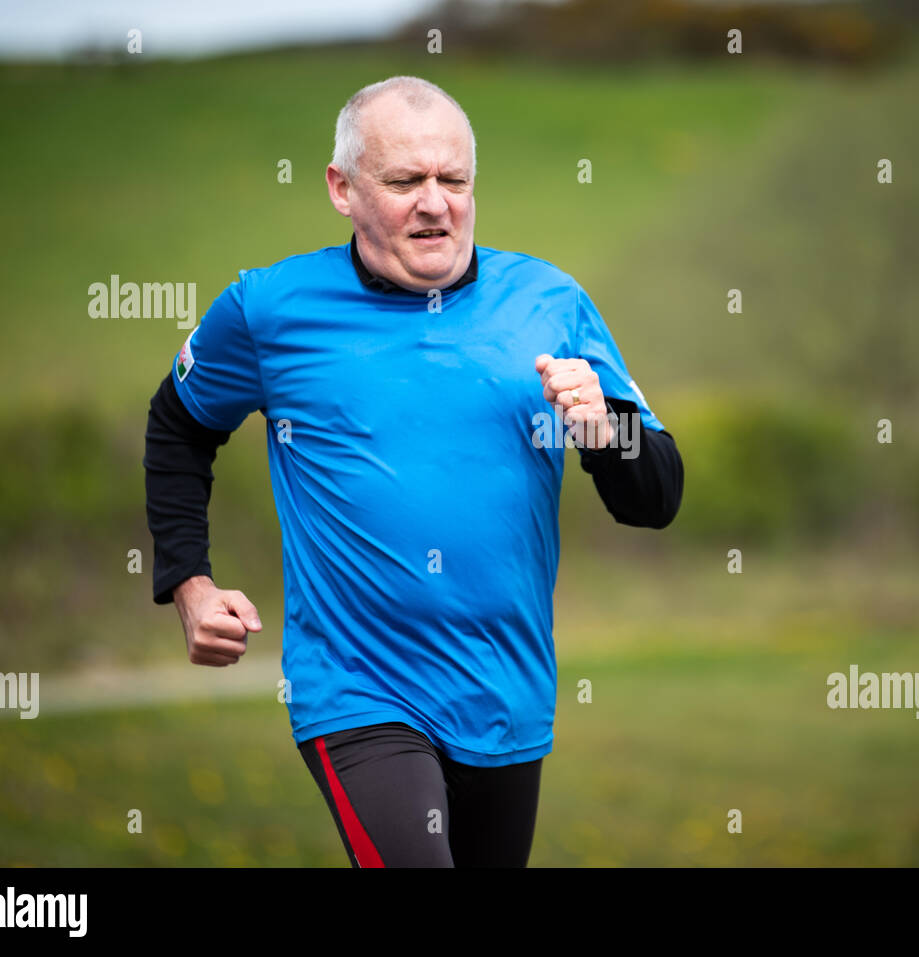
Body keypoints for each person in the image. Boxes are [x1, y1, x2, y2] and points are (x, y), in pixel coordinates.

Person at [143, 75, 683, 867]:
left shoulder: (550, 301)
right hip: (358, 694)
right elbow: (178, 425)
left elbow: (657, 498)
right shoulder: (271, 309)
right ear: (342, 187)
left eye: (452, 180)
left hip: (507, 693)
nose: (435, 203)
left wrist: (608, 432)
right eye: (404, 182)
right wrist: (188, 580)